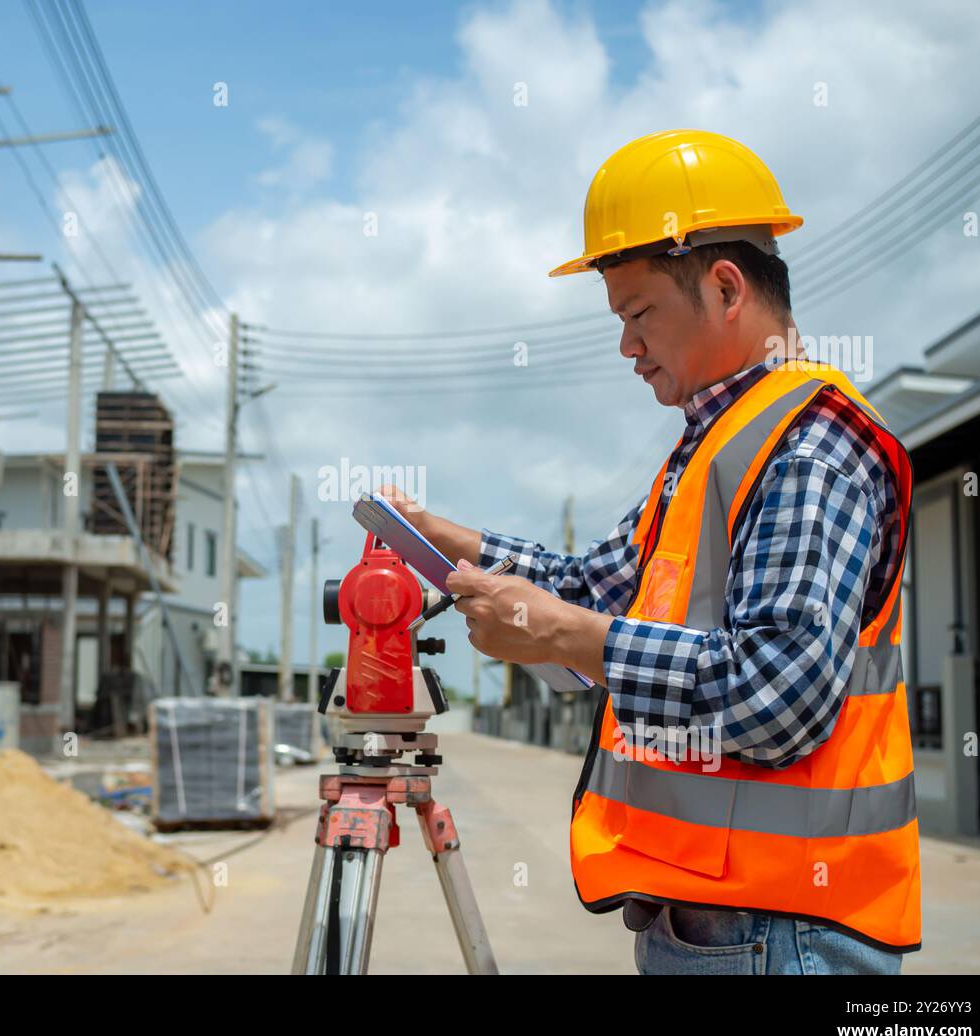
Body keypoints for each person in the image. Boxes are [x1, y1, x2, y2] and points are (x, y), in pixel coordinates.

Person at [380, 130, 919, 975]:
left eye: (638, 316)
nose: (627, 348)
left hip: (784, 928)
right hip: (717, 921)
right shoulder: (713, 449)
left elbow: (777, 696)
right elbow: (589, 584)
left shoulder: (810, 446)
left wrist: (562, 636)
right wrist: (452, 543)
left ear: (726, 286)